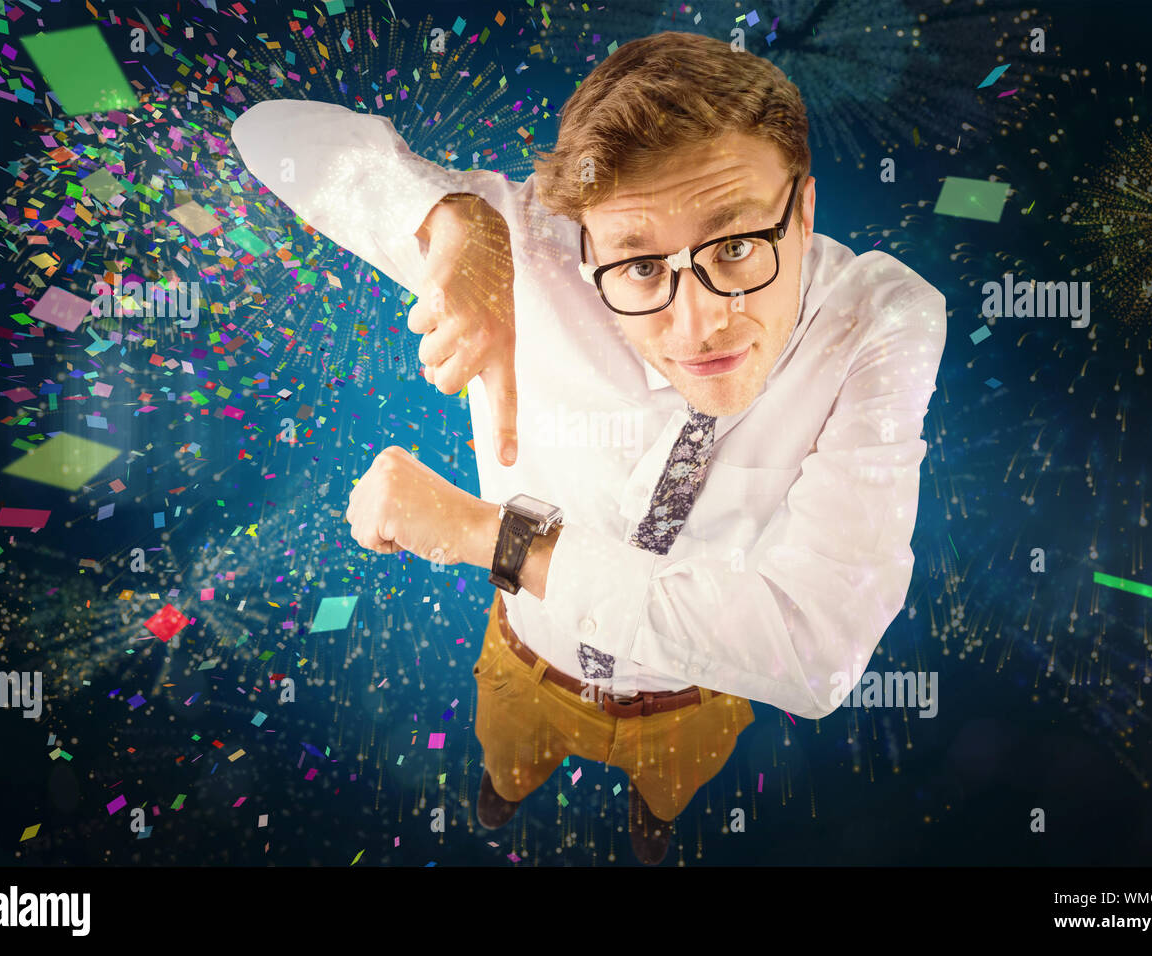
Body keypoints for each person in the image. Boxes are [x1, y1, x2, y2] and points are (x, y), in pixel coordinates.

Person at [231, 31, 946, 865]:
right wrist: (446, 215)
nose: (700, 323)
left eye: (739, 245)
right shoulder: (521, 250)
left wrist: (489, 536)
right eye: (640, 267)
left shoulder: (879, 321)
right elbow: (270, 132)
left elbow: (817, 651)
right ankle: (502, 792)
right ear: (586, 245)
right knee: (504, 764)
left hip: (694, 699)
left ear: (806, 209)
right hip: (527, 663)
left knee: (668, 794)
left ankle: (655, 813)